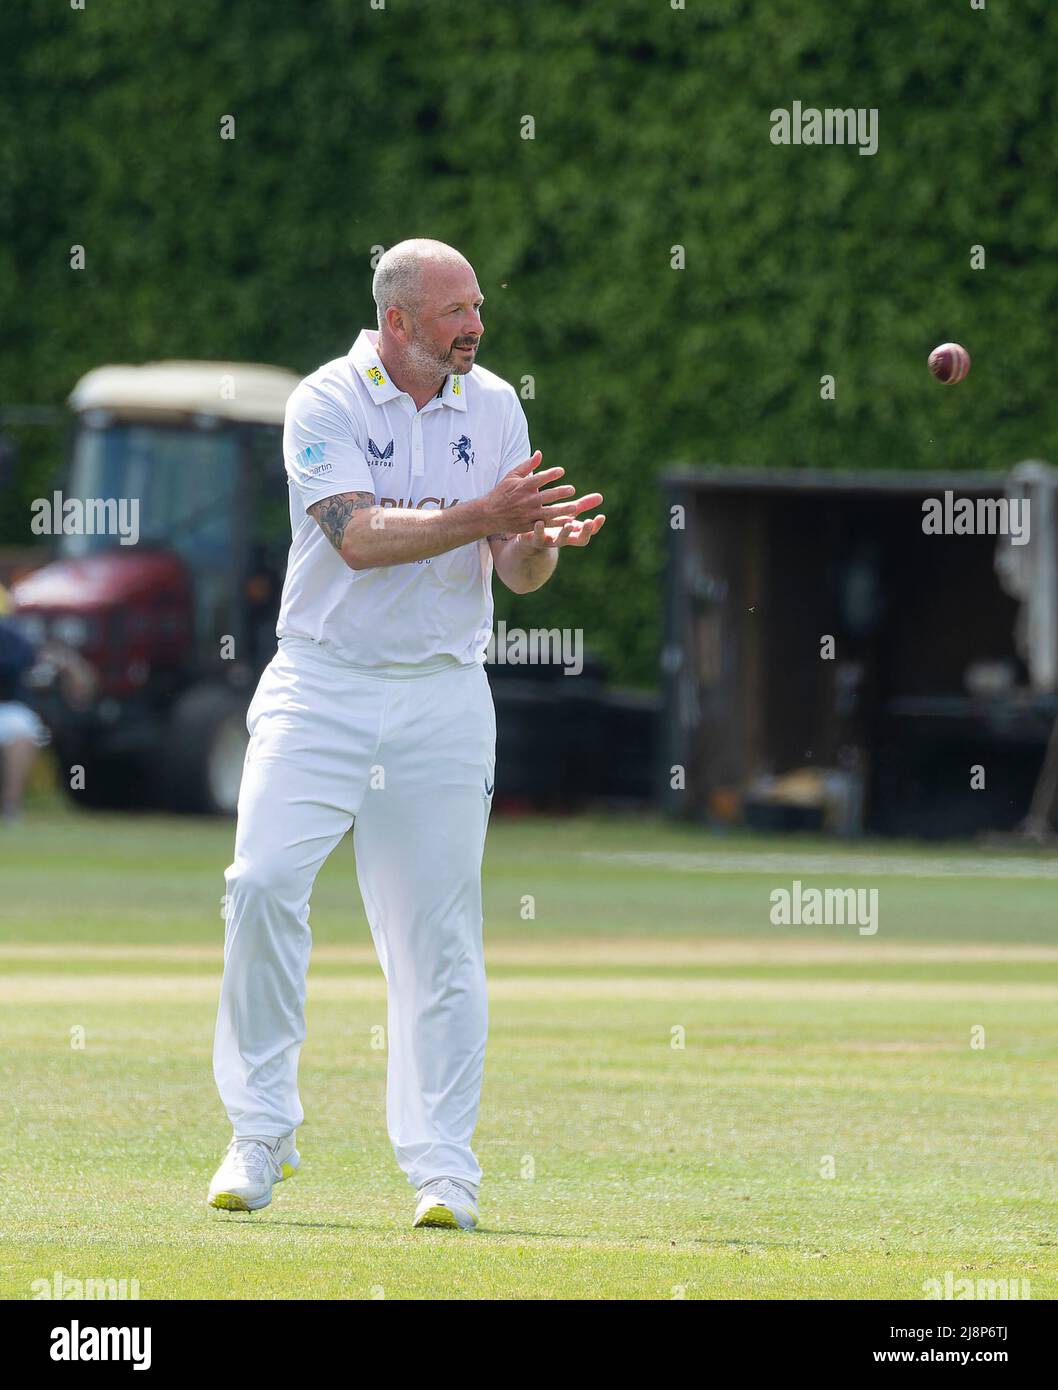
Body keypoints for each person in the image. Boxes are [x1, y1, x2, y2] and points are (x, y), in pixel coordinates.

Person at [208, 238, 605, 1228]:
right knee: (259, 884)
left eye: (477, 307)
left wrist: (535, 542)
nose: (475, 324)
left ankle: (445, 1171)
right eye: (456, 311)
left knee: (436, 937)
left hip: (440, 691)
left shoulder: (497, 402)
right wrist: (484, 515)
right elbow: (357, 537)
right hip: (322, 682)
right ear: (398, 322)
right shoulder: (326, 401)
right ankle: (259, 1133)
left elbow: (512, 569)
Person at [0, 585, 44, 823]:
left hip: (6, 706)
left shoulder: (10, 637)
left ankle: (10, 807)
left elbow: (22, 665)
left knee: (22, 728)